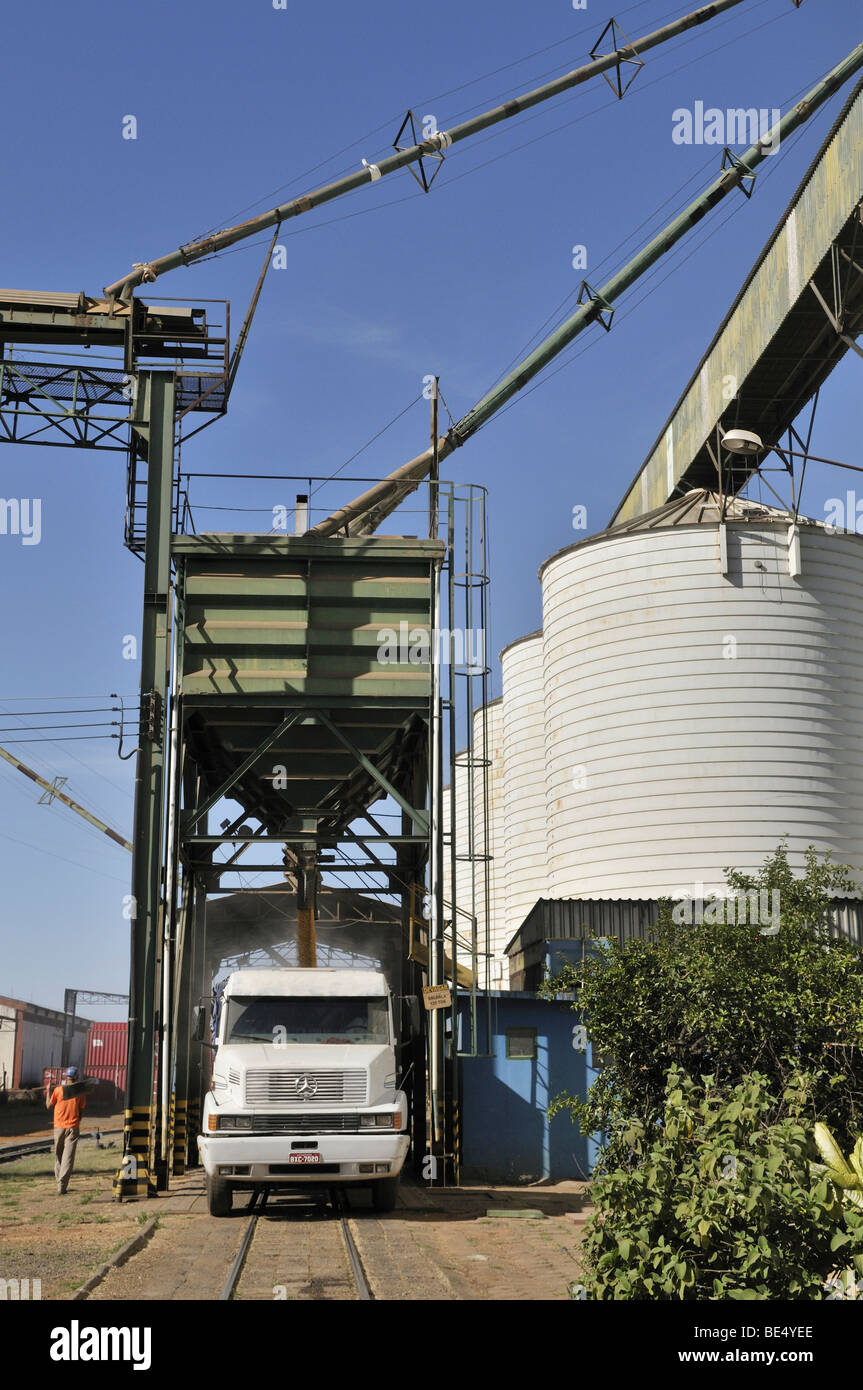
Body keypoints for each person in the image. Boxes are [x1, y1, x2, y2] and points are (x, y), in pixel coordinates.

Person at [46, 1066, 87, 1196]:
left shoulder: (58, 1090)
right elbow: (81, 1111)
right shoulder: (80, 1093)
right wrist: (76, 1122)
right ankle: (62, 1186)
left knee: (58, 1156)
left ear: (66, 1077)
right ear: (76, 1078)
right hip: (73, 1127)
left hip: (58, 1127)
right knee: (68, 1158)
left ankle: (59, 1182)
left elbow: (48, 1105)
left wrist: (48, 1091)